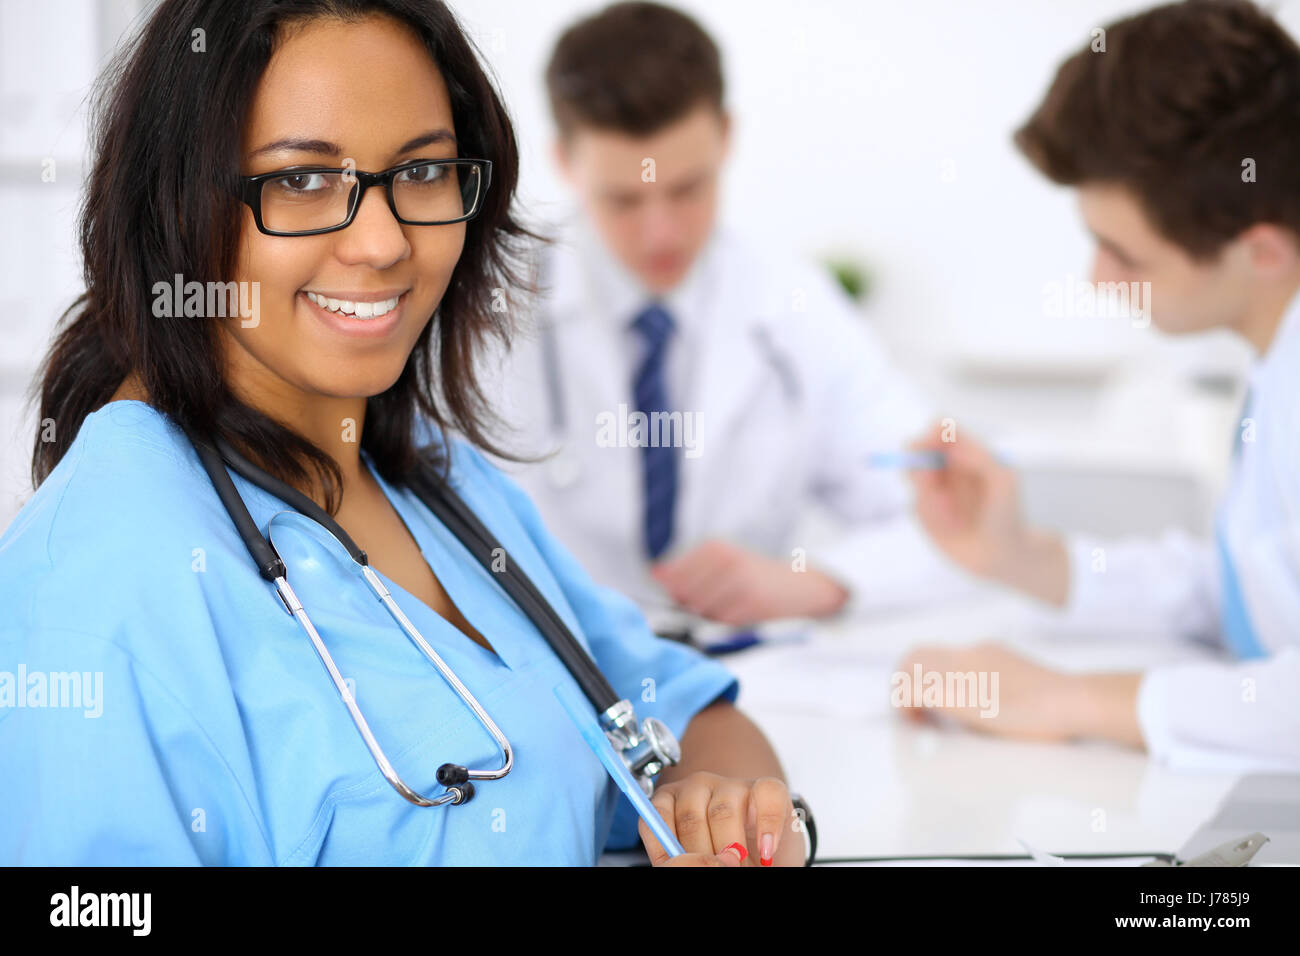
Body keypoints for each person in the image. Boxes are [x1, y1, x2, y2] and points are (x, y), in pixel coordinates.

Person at [0, 0, 808, 866]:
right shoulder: (94, 587)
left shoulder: (441, 484)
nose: (384, 243)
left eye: (422, 172)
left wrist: (720, 809)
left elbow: (691, 713)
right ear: (174, 205)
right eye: (303, 180)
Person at [899, 0, 1300, 772]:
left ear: (1263, 252)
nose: (1098, 279)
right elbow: (1248, 589)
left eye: (1126, 255)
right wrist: (1021, 557)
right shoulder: (1273, 355)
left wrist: (1065, 700)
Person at [484, 1, 967, 637]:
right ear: (566, 163)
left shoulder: (794, 306)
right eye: (623, 199)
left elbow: (949, 519)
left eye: (688, 188)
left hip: (745, 675)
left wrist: (818, 579)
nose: (661, 233)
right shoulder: (489, 307)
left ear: (727, 136)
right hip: (547, 672)